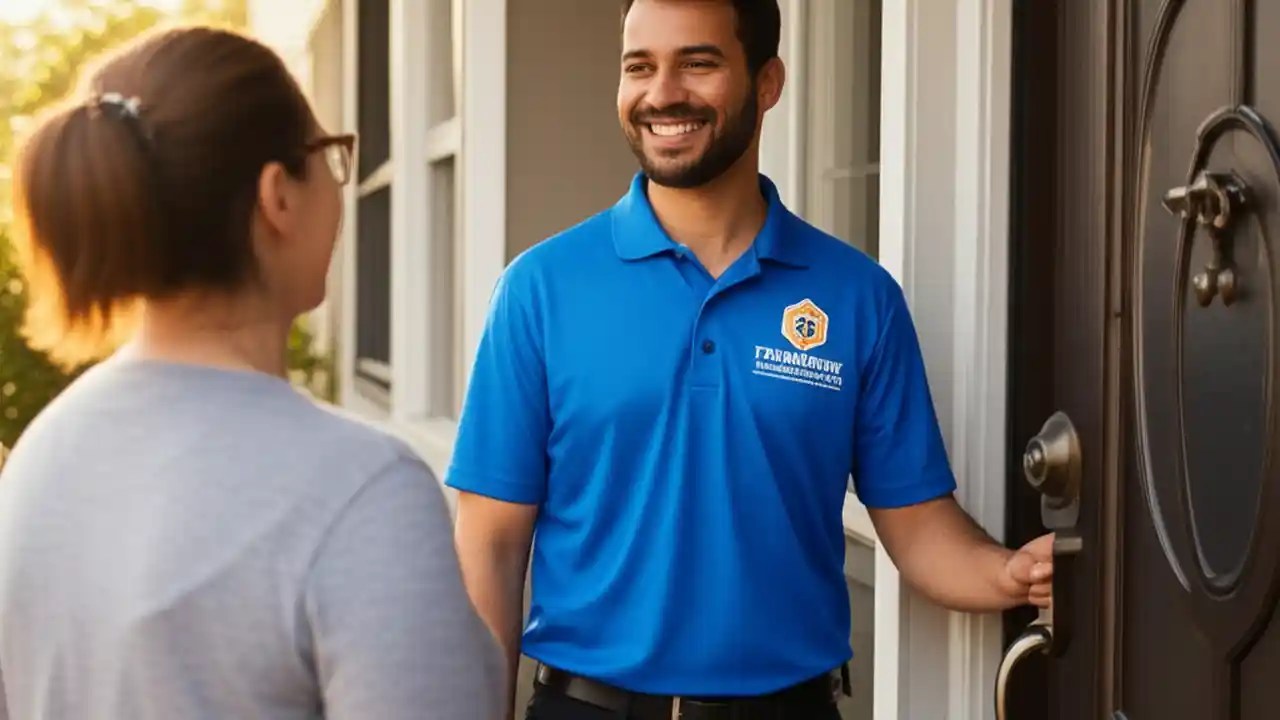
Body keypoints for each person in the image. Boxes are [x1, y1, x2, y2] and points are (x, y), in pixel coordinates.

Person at [446, 1, 1054, 718]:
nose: (662, 93)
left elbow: (919, 526)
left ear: (767, 82)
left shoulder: (858, 298)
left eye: (697, 63)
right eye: (639, 66)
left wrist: (1011, 574)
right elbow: (489, 548)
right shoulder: (540, 290)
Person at [0, 26, 502, 720]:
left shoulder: (38, 461)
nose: (338, 180)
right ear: (278, 197)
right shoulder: (361, 490)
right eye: (329, 154)